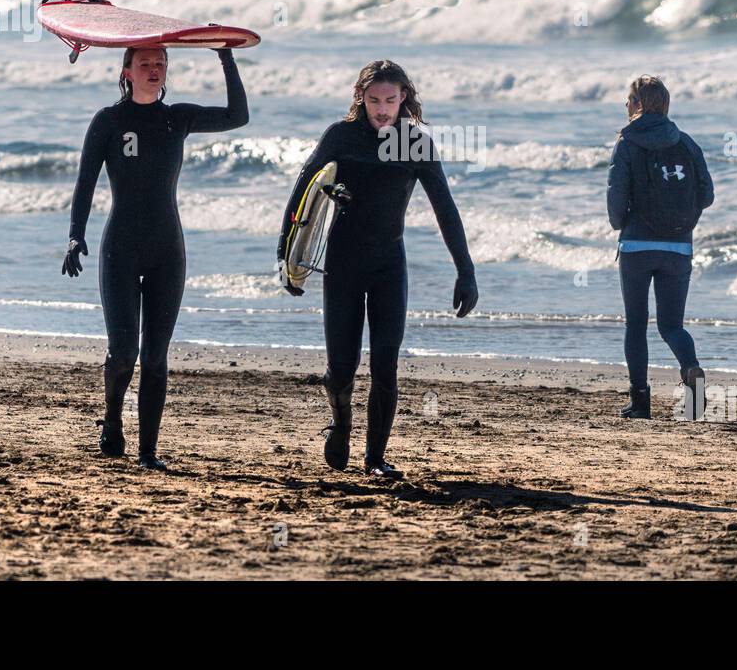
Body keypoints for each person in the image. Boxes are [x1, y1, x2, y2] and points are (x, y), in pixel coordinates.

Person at [278, 60, 477, 479]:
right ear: (360, 98)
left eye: (390, 100)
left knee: (386, 363)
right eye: (373, 101)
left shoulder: (414, 142)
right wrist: (287, 257)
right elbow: (303, 188)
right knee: (341, 369)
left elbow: (445, 207)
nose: (382, 109)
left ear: (404, 96)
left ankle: (375, 458)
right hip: (343, 264)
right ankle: (341, 421)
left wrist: (466, 270)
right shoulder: (341, 136)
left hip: (389, 264)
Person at [62, 46, 248, 470]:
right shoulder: (108, 122)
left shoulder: (176, 117)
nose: (153, 70)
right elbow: (85, 182)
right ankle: (112, 419)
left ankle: (148, 452)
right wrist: (75, 236)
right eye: (144, 63)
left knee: (156, 356)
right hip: (120, 250)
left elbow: (238, 116)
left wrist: (225, 57)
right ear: (126, 70)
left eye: (160, 63)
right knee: (124, 352)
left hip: (168, 251)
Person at [606, 75, 713, 419]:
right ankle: (692, 378)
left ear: (637, 105)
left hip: (636, 246)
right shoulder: (686, 142)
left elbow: (615, 202)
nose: (625, 105)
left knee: (636, 324)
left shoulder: (626, 143)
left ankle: (640, 403)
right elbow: (707, 195)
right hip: (678, 248)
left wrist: (623, 223)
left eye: (628, 99)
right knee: (672, 326)